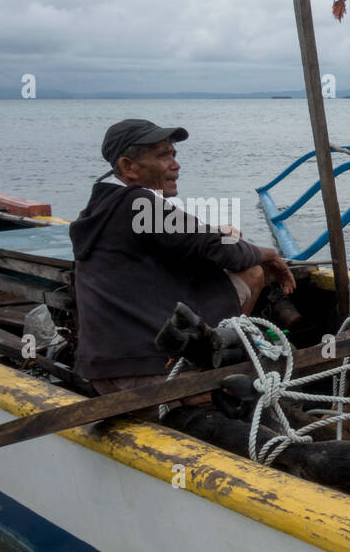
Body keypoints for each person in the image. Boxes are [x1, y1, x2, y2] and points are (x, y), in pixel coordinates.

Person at [69, 118, 296, 396]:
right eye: (163, 155)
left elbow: (197, 238)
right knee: (253, 271)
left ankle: (219, 348)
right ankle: (216, 356)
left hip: (104, 368)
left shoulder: (101, 207)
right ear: (128, 167)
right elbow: (223, 251)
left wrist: (217, 234)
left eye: (173, 154)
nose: (175, 164)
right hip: (146, 373)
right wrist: (270, 254)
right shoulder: (138, 203)